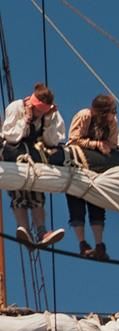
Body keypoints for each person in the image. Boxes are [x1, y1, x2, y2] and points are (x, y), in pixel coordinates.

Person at [1, 83, 66, 248]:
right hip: (13, 152)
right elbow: (11, 136)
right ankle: (23, 229)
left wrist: (49, 119)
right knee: (18, 192)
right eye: (37, 109)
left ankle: (42, 231)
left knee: (36, 192)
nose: (39, 114)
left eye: (42, 111)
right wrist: (27, 119)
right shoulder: (16, 107)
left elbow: (53, 141)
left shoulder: (50, 115)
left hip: (36, 154)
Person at [66, 94, 119, 259]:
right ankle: (82, 243)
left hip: (97, 170)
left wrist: (107, 147)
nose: (114, 115)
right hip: (77, 166)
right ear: (103, 112)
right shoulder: (84, 116)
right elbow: (73, 140)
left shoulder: (112, 123)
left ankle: (99, 244)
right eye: (112, 111)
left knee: (97, 205)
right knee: (77, 205)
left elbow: (113, 144)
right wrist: (95, 144)